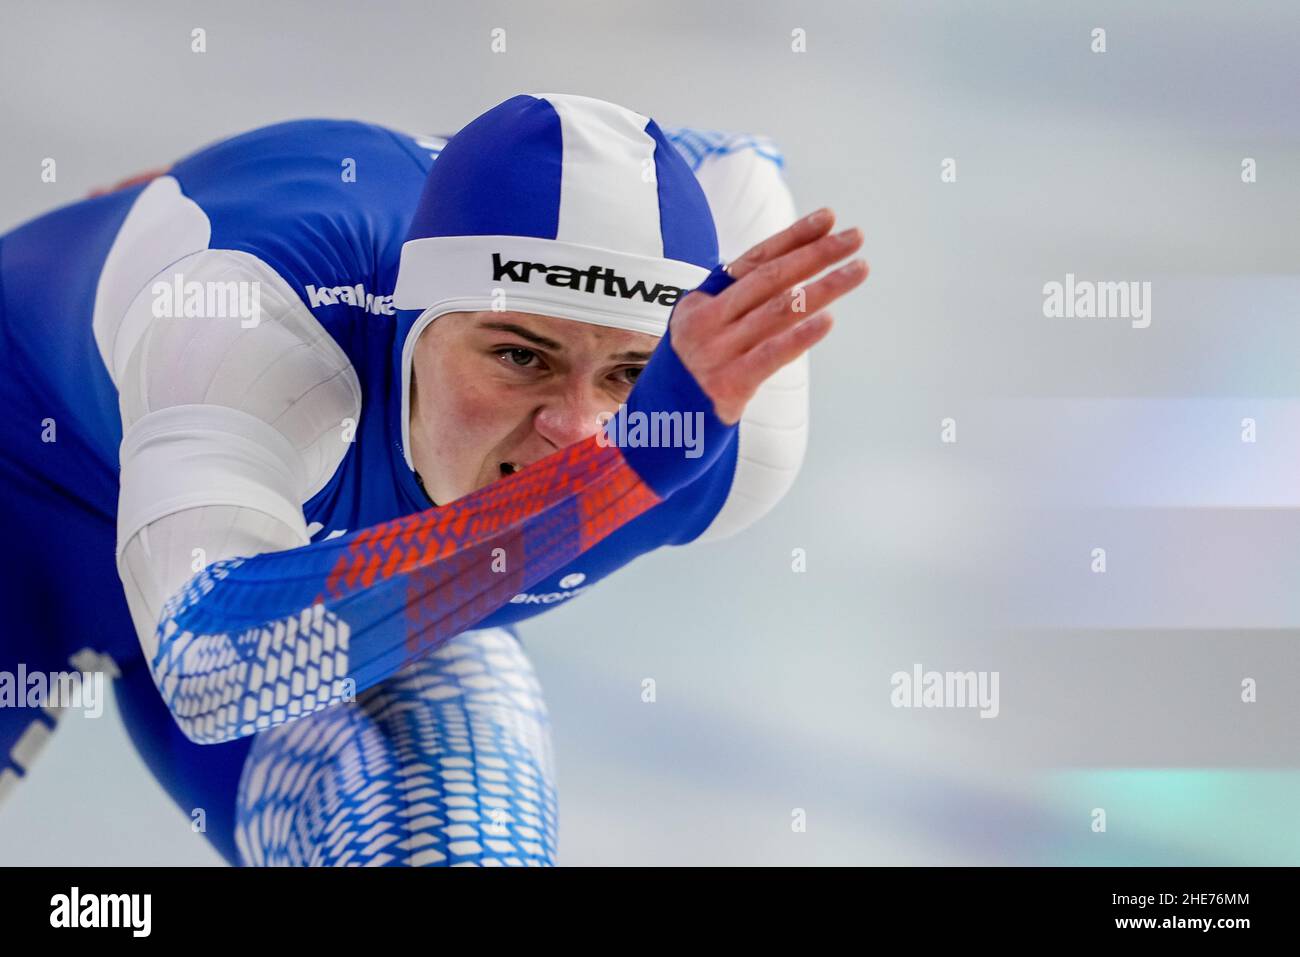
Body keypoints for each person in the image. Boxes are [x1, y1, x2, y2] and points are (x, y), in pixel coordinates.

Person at [0, 92, 867, 865]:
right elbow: (214, 661)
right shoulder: (250, 316)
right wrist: (627, 470)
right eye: (521, 355)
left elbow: (730, 160)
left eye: (631, 375)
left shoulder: (735, 427)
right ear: (413, 325)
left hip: (322, 584)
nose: (576, 431)